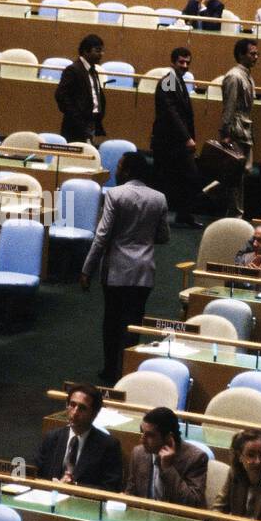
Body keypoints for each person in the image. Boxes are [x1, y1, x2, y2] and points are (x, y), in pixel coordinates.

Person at [80, 150, 170, 382]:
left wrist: (87, 269)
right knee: (134, 323)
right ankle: (128, 371)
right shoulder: (159, 198)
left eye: (120, 166)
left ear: (127, 170)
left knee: (112, 321)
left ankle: (110, 369)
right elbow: (163, 236)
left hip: (116, 270)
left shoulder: (115, 195)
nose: (116, 169)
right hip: (143, 271)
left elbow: (102, 236)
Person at [34, 384, 123, 491]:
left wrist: (75, 487)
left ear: (94, 413)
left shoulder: (108, 446)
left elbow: (110, 487)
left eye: (82, 408)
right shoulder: (52, 438)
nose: (75, 412)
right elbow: (36, 474)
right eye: (72, 405)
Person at [152, 48, 203, 228]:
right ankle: (158, 219)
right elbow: (170, 112)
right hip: (167, 142)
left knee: (188, 178)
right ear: (173, 62)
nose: (185, 66)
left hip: (176, 142)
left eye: (188, 62)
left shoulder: (178, 80)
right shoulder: (169, 81)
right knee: (167, 181)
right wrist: (187, 138)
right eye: (181, 62)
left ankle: (184, 215)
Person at [122, 407, 208, 506]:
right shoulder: (138, 453)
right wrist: (125, 498)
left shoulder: (196, 458)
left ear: (168, 437)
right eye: (142, 432)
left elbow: (193, 503)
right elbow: (131, 492)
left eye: (150, 435)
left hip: (177, 519)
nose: (142, 440)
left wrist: (168, 468)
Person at [219, 39, 258, 218]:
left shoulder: (247, 75)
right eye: (252, 54)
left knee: (241, 175)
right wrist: (225, 133)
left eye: (257, 54)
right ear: (241, 54)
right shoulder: (234, 76)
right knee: (235, 178)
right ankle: (235, 217)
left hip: (244, 130)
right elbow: (229, 107)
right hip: (235, 132)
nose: (256, 57)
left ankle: (234, 215)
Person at [54, 35, 106, 143]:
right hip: (75, 126)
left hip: (90, 123)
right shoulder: (73, 70)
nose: (101, 54)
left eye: (101, 50)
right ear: (85, 51)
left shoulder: (92, 70)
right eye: (97, 51)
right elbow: (61, 96)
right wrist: (76, 117)